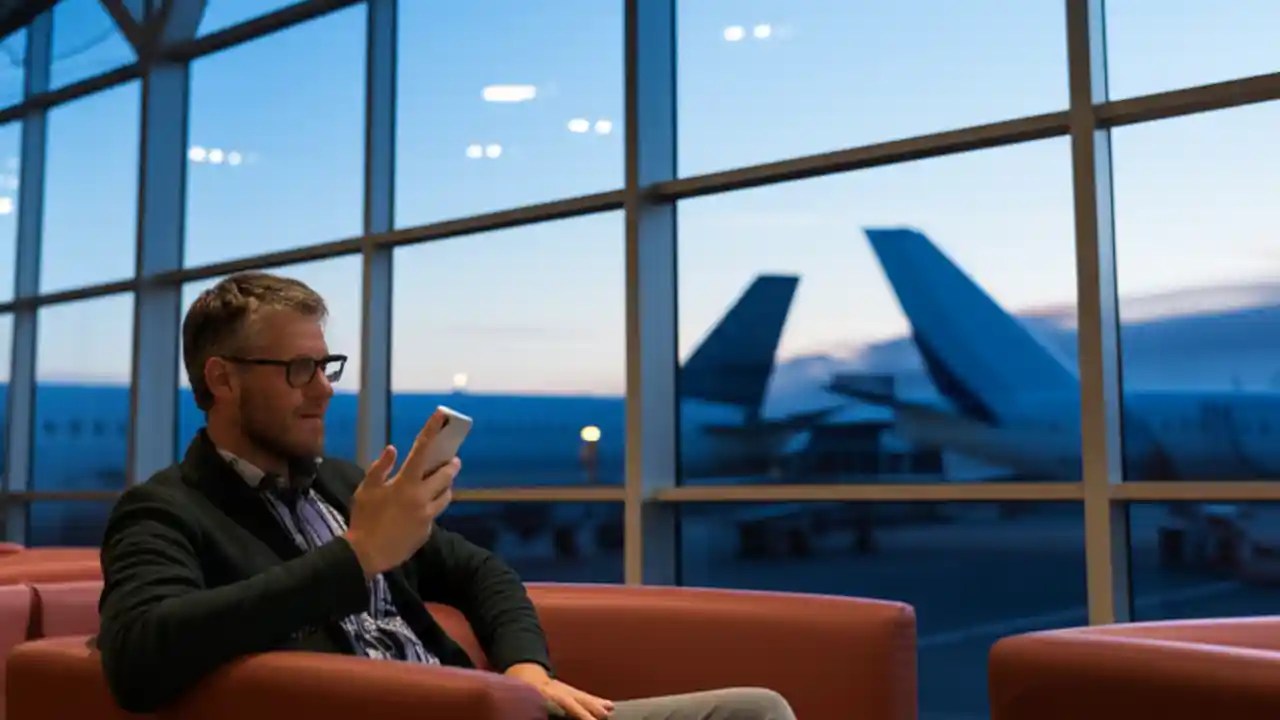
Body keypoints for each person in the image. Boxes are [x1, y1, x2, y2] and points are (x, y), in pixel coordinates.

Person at [96, 271, 795, 720]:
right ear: (221, 380)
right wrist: (359, 554)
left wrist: (528, 673)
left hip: (483, 706)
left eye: (325, 364)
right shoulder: (167, 511)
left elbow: (483, 573)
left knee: (756, 709)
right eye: (299, 368)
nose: (325, 389)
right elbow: (139, 658)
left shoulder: (342, 487)